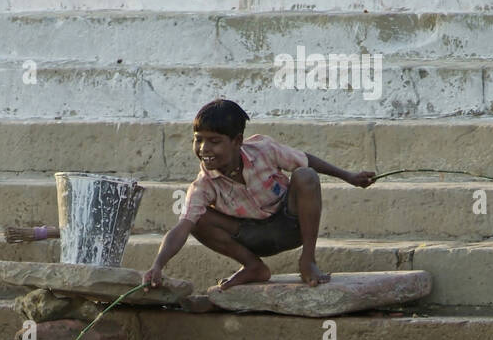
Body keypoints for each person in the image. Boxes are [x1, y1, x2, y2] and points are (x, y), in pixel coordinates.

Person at [143, 99, 375, 290]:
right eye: (198, 140)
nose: (204, 149)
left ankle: (308, 260)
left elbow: (305, 160)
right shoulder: (203, 185)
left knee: (306, 175)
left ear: (237, 141)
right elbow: (182, 227)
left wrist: (349, 177)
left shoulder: (264, 150)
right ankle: (253, 267)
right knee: (195, 219)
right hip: (250, 236)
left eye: (214, 141)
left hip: (290, 224)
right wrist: (157, 265)